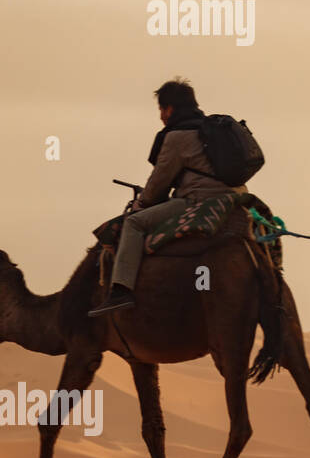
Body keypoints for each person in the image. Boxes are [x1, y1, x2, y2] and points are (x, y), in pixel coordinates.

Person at [89, 78, 248, 317]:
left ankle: (121, 291)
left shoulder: (177, 137)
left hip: (198, 201)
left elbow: (157, 187)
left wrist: (138, 205)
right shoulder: (213, 130)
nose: (161, 116)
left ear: (169, 109)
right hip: (238, 197)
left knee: (133, 223)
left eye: (161, 110)